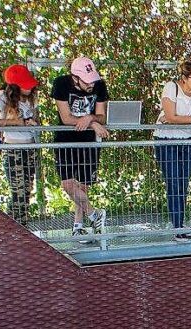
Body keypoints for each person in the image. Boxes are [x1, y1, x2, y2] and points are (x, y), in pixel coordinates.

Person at [51, 56, 110, 235]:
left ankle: (78, 226)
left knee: (83, 185)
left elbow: (101, 116)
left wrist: (90, 118)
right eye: (87, 81)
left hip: (88, 142)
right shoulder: (61, 84)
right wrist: (92, 123)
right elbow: (66, 118)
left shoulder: (99, 85)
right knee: (68, 184)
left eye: (93, 80)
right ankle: (94, 214)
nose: (91, 85)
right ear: (75, 78)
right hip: (65, 140)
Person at [156, 59, 191, 239]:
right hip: (166, 139)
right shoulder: (171, 87)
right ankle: (177, 224)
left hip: (188, 139)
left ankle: (180, 221)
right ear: (184, 78)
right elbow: (171, 117)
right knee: (173, 181)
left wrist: (179, 118)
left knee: (184, 181)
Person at [0, 64, 41, 225]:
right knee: (18, 193)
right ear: (15, 86)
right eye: (25, 85)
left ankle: (20, 228)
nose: (29, 88)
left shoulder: (32, 97)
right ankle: (13, 229)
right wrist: (16, 122)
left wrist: (33, 123)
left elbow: (35, 118)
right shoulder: (3, 96)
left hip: (30, 148)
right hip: (13, 149)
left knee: (26, 192)